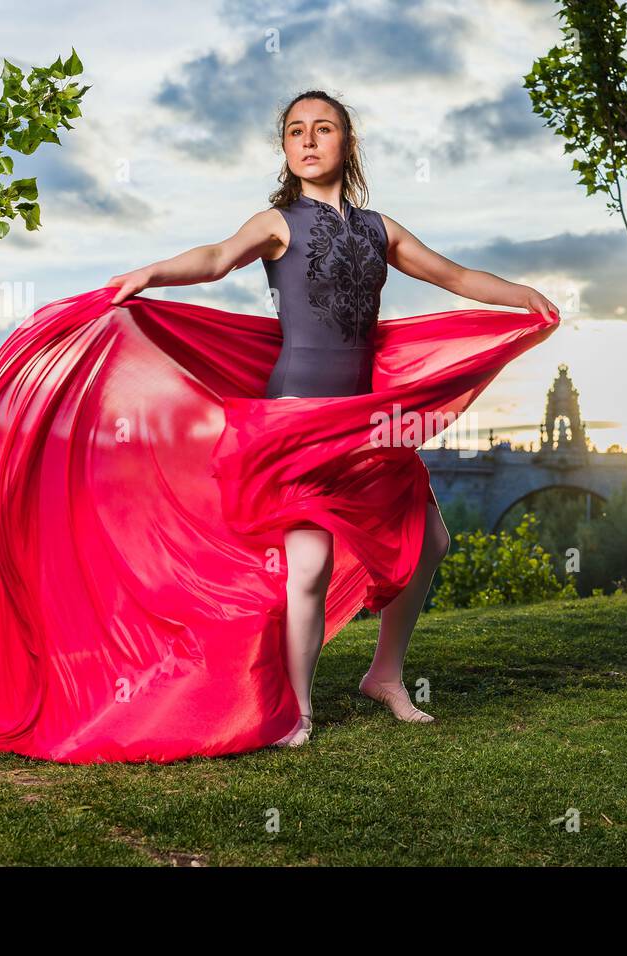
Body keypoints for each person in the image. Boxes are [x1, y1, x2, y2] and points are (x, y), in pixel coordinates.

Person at [100, 91, 557, 749]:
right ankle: (300, 713)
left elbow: (454, 275)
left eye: (323, 129)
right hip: (297, 420)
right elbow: (212, 259)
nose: (308, 140)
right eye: (295, 132)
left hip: (368, 427)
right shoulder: (276, 222)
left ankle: (386, 675)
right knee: (308, 567)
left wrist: (520, 296)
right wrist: (149, 274)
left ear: (348, 142)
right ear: (285, 149)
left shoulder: (380, 229)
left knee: (430, 541)